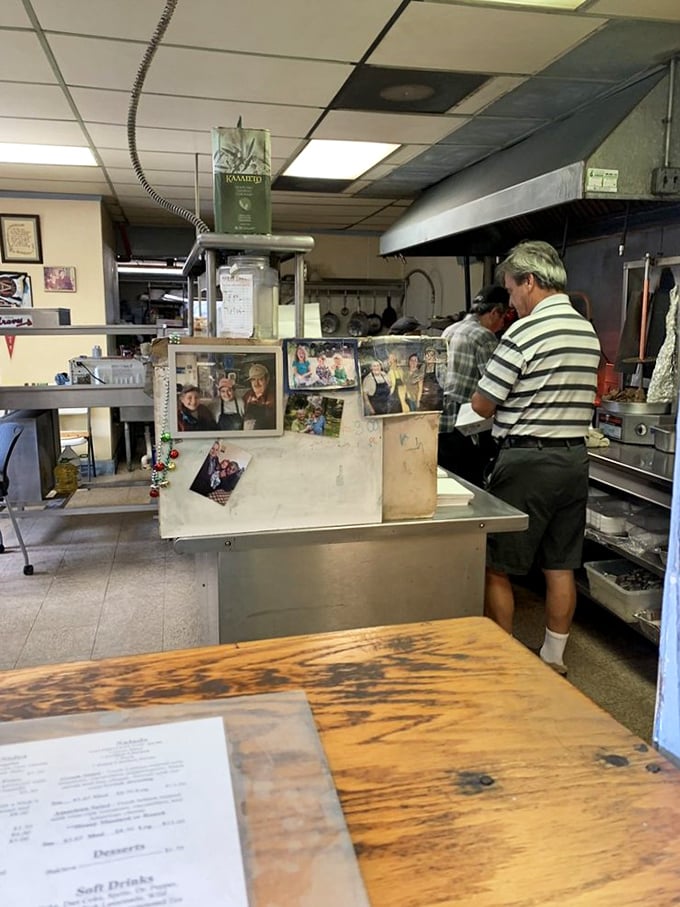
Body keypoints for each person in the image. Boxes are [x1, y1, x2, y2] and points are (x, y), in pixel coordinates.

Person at [470, 240, 601, 676]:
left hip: (527, 460)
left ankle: (500, 660)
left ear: (530, 281)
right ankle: (553, 659)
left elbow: (484, 404)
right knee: (561, 563)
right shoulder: (587, 330)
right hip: (573, 460)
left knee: (498, 563)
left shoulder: (524, 332)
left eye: (511, 290)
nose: (510, 301)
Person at [438, 285, 509, 486]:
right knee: (469, 490)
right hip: (464, 431)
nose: (502, 324)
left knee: (446, 487)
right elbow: (494, 384)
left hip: (440, 425)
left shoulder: (449, 330)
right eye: (503, 318)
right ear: (495, 312)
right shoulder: (484, 336)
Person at [242, 362, 277, 430]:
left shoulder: (274, 398)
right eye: (253, 380)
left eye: (260, 379)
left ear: (267, 379)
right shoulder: (247, 396)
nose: (256, 383)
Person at [418, 346, 444, 411]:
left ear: (435, 357)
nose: (429, 357)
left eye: (431, 355)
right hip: (425, 399)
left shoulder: (441, 367)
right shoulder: (423, 367)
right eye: (427, 355)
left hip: (437, 398)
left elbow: (444, 383)